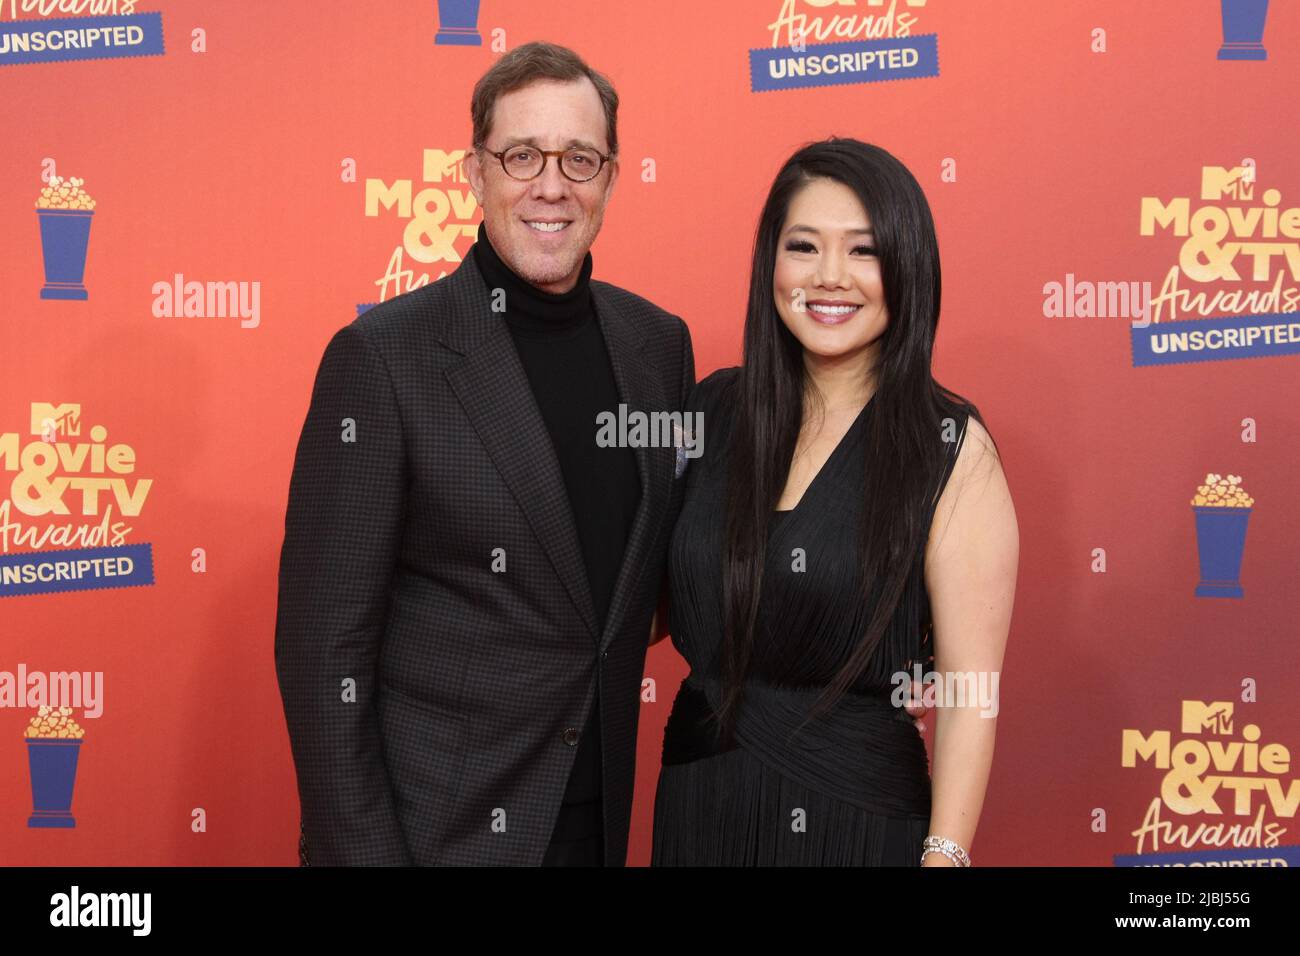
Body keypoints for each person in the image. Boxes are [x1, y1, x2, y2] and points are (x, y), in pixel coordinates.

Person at [274, 41, 695, 866]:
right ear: (474, 173)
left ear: (611, 178)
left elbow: (655, 579)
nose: (552, 186)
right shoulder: (384, 358)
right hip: (434, 836)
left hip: (596, 825)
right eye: (522, 156)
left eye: (579, 159)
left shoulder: (657, 347)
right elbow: (322, 653)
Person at [649, 138, 1018, 866]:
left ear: (908, 266)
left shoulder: (949, 448)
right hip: (698, 809)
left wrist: (944, 857)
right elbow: (643, 606)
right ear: (771, 262)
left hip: (858, 823)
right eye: (804, 246)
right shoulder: (711, 412)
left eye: (863, 250)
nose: (829, 276)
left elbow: (969, 695)